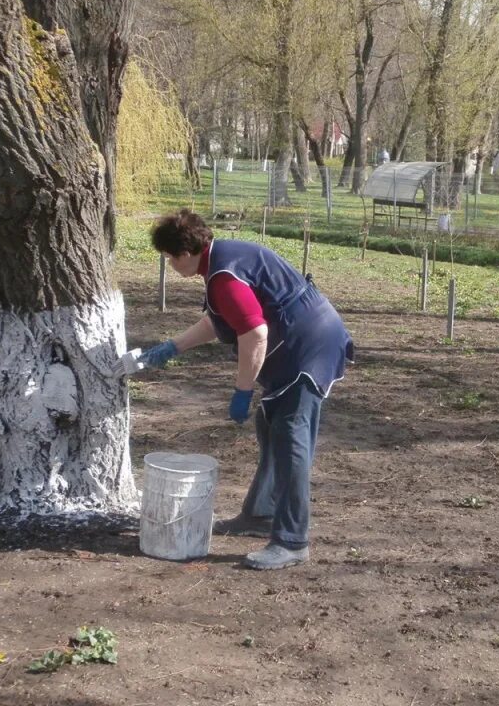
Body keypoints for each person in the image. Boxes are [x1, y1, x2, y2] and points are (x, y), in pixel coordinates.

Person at [133, 209, 354, 570]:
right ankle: (260, 515)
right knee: (270, 428)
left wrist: (242, 391)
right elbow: (221, 320)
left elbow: (254, 333)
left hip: (308, 351)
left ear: (186, 252)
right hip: (298, 345)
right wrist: (172, 347)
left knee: (291, 439)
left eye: (171, 257)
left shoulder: (224, 276)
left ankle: (292, 541)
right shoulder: (221, 261)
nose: (171, 264)